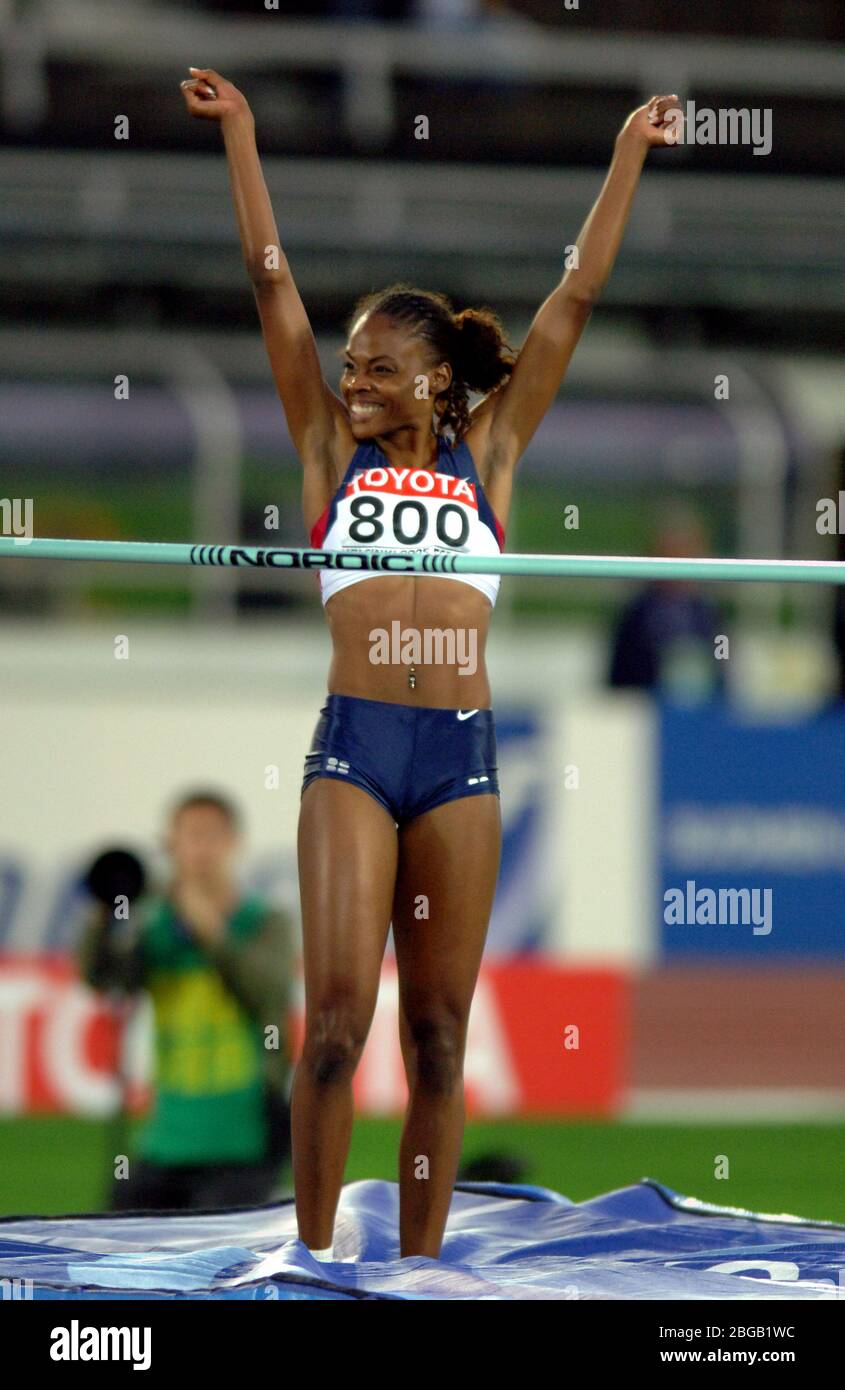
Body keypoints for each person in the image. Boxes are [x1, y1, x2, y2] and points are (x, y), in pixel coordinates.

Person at [180, 68, 679, 1257]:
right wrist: (243, 135)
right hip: (355, 744)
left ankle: (414, 1271)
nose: (351, 381)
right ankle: (305, 1261)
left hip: (458, 755)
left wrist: (626, 151)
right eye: (346, 364)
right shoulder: (321, 443)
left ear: (438, 380)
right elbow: (271, 283)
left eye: (374, 367)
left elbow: (578, 292)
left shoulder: (493, 451)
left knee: (440, 1041)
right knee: (339, 1028)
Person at [78, 791, 295, 1212]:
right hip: (167, 1141)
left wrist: (209, 927)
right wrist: (108, 908)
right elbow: (101, 977)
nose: (201, 850)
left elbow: (266, 990)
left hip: (245, 1142)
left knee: (222, 1263)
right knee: (115, 1249)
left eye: (212, 836)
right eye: (191, 836)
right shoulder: (154, 927)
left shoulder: (266, 921)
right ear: (170, 845)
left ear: (234, 843)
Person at [608, 510, 727, 701]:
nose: (678, 562)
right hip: (647, 709)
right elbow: (618, 679)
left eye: (685, 553)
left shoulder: (708, 613)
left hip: (702, 713)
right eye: (670, 553)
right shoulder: (636, 613)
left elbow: (722, 670)